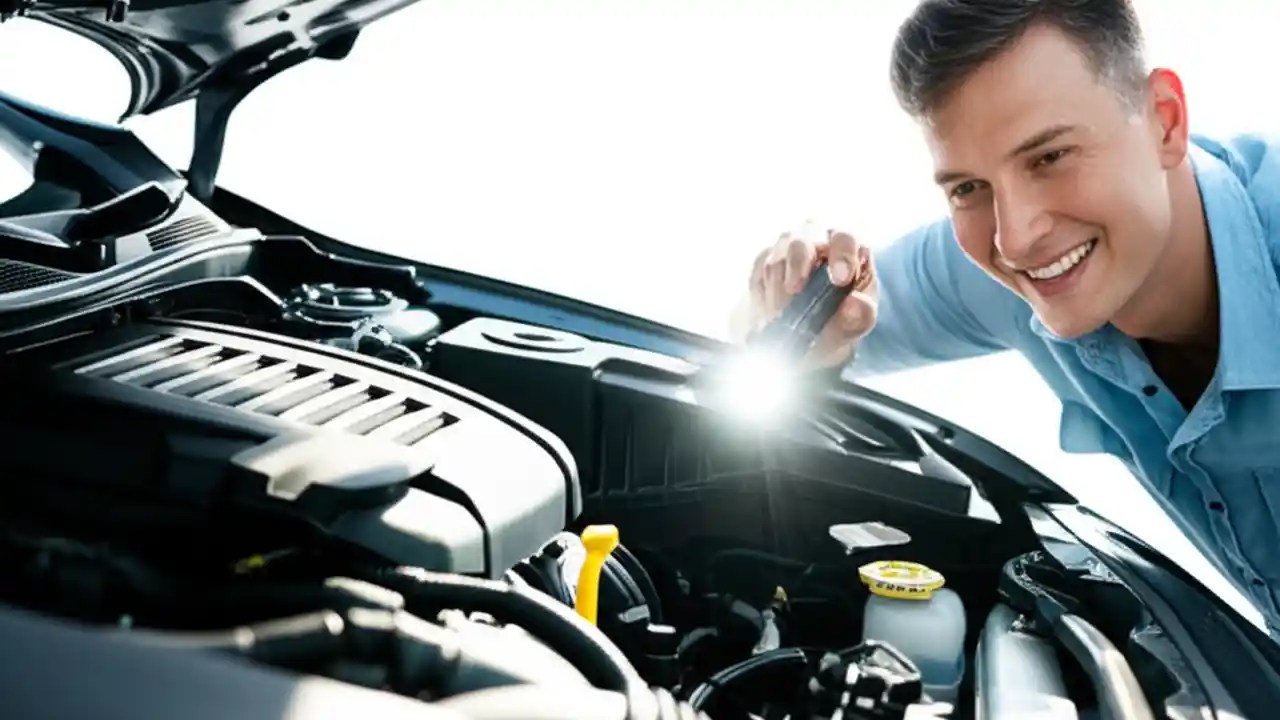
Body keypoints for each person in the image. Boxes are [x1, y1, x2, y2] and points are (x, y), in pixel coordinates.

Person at [731, 0, 1280, 636]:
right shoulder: (1005, 268)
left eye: (1049, 157)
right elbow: (782, 332)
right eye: (967, 188)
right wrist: (791, 290)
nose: (1015, 239)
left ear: (1164, 121)